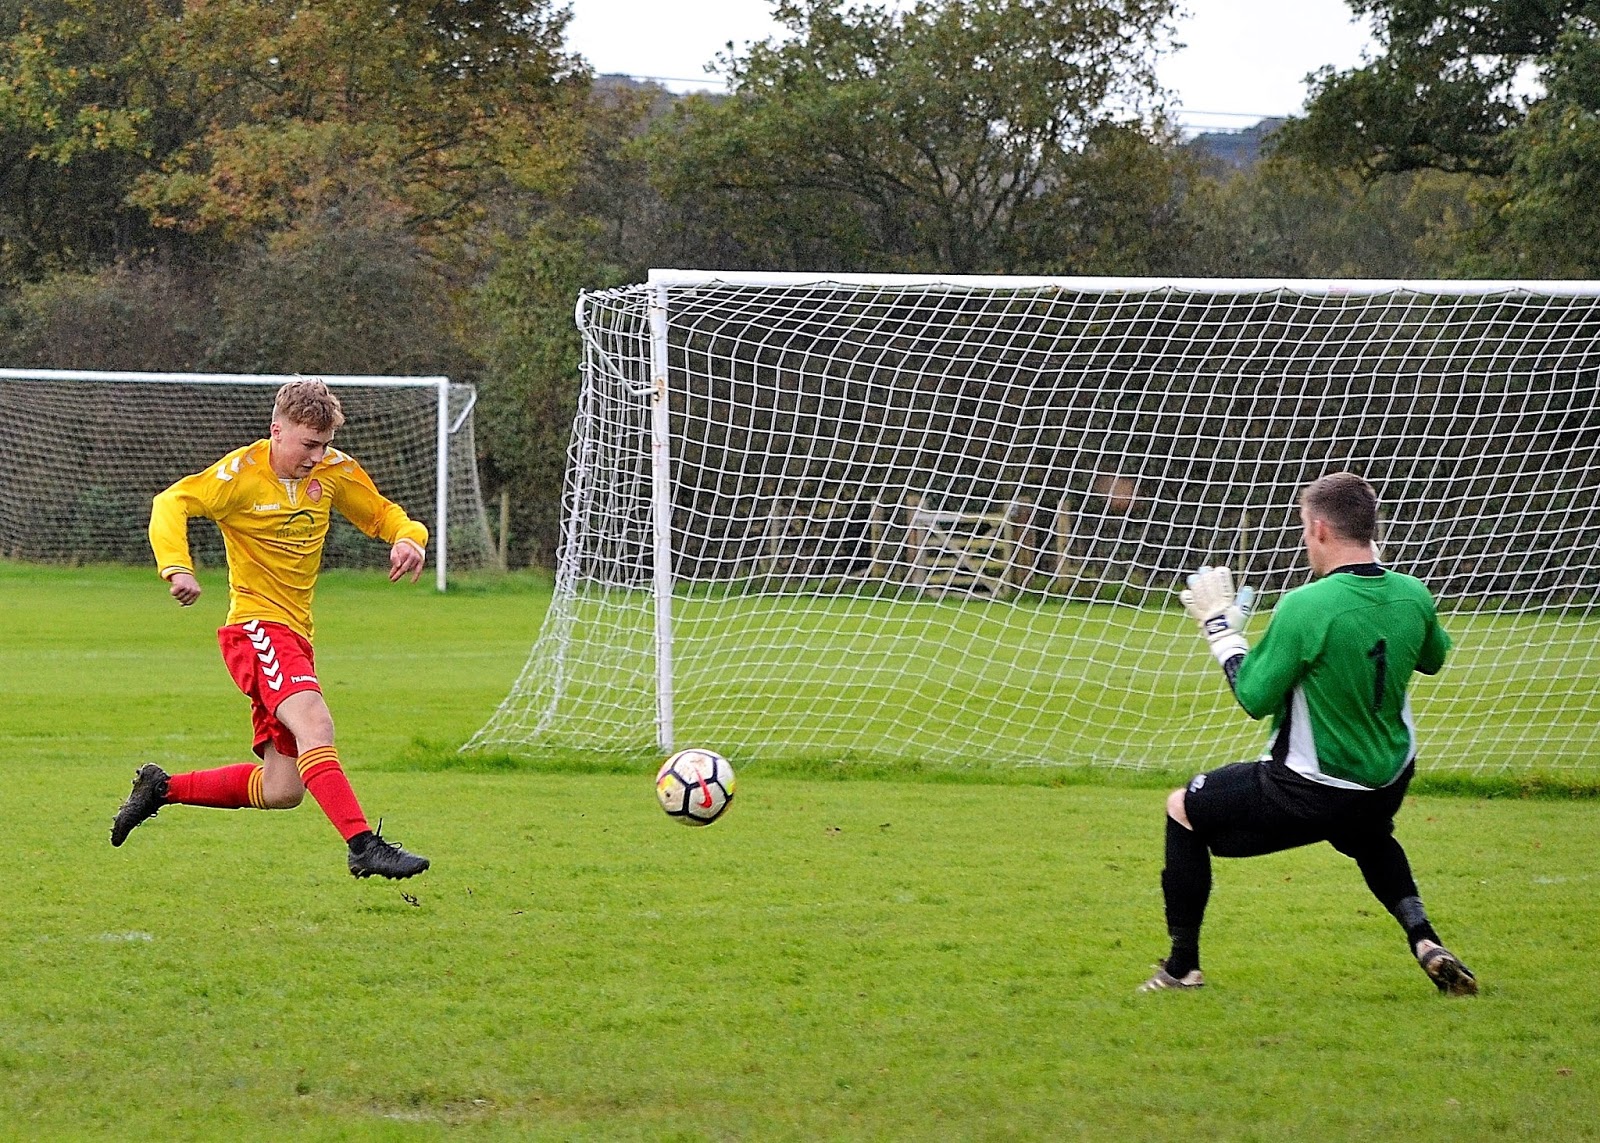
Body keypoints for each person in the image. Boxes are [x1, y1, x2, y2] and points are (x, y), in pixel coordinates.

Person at [1142, 471, 1476, 995]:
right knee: (1365, 834)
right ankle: (1425, 941)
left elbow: (1253, 696)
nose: (1303, 539)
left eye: (1302, 527)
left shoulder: (1305, 605)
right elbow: (1432, 658)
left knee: (1184, 809)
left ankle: (1182, 968)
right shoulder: (1413, 594)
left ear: (1320, 529)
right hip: (1385, 782)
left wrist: (1218, 627)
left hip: (1309, 787)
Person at [110, 377, 431, 880]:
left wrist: (410, 539)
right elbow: (171, 503)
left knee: (283, 790)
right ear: (276, 430)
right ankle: (363, 845)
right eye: (308, 444)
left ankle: (161, 789)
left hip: (296, 635)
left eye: (324, 444)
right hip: (255, 628)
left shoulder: (334, 471)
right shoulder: (239, 474)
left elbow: (385, 516)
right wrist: (177, 568)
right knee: (316, 723)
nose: (316, 455)